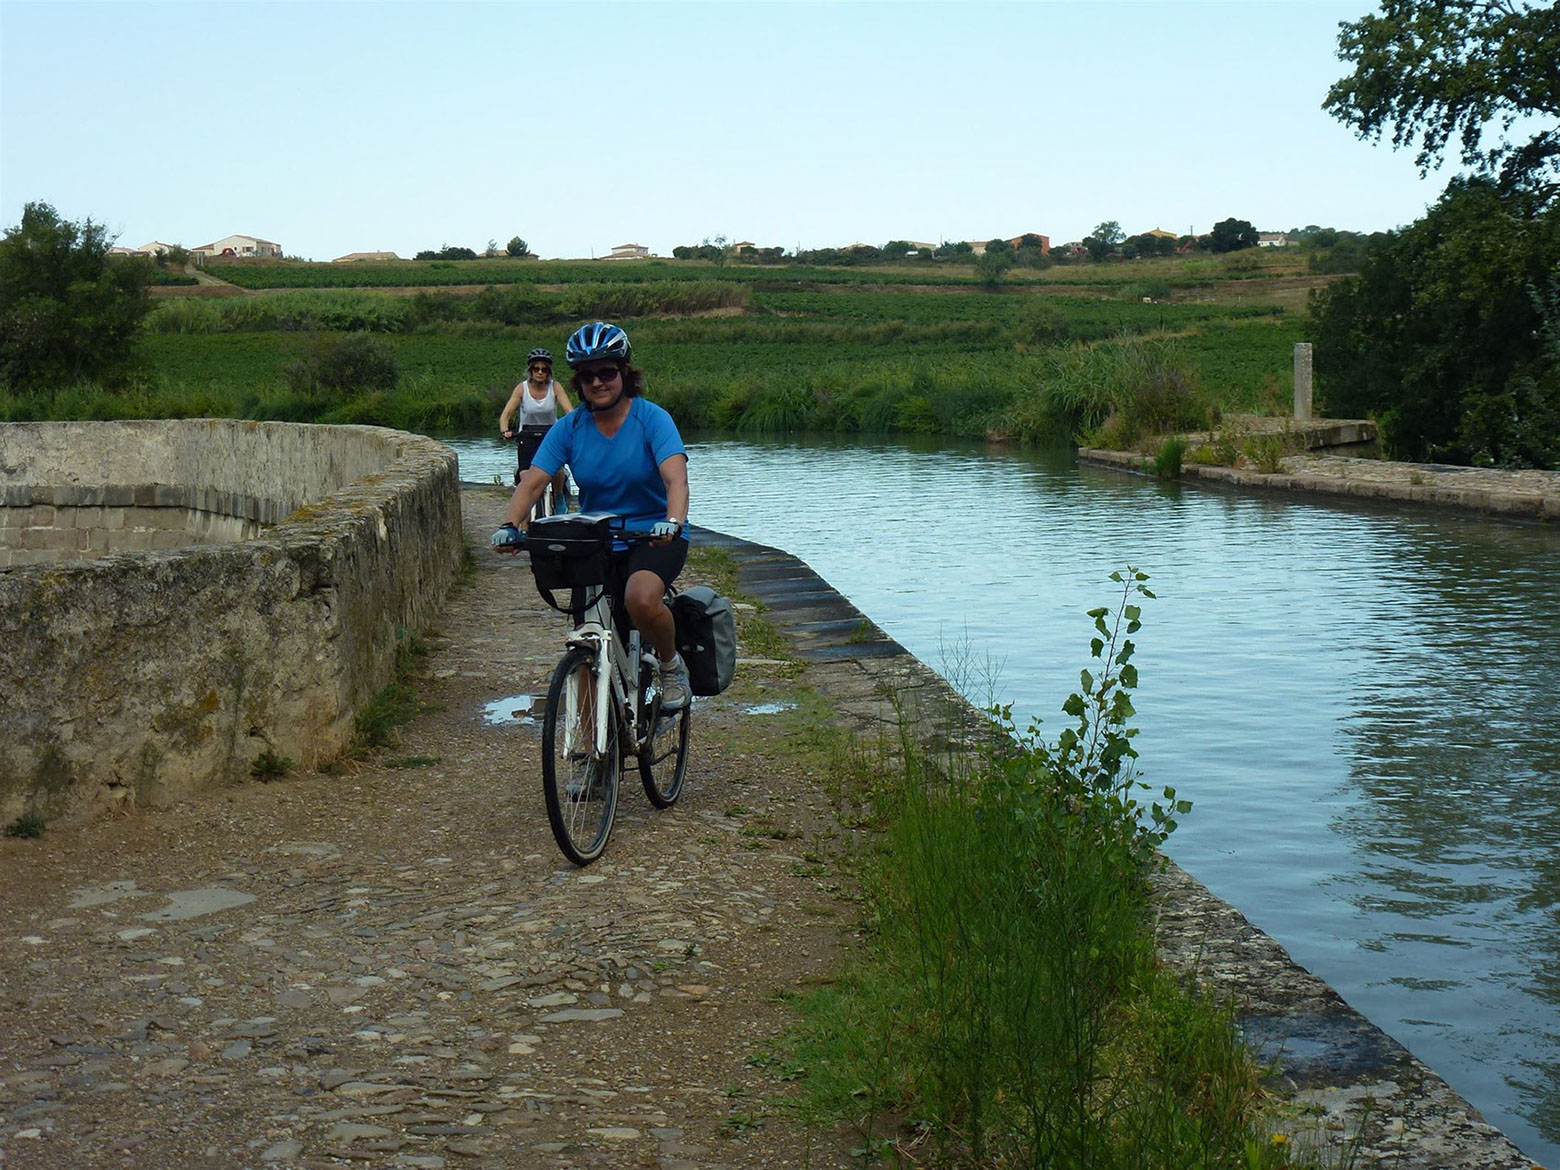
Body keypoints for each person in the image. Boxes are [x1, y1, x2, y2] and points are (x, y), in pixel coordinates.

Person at [492, 322, 692, 709]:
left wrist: (673, 521)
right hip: (597, 539)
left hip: (653, 533)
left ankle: (671, 667)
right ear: (578, 381)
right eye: (587, 376)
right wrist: (509, 524)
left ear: (624, 372)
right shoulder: (570, 428)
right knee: (588, 636)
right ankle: (589, 742)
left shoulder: (652, 419)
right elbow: (533, 482)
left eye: (607, 372)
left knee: (641, 599)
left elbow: (676, 480)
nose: (598, 382)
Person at [499, 347, 573, 504]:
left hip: (551, 435)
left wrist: (573, 427)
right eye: (536, 369)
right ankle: (526, 516)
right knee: (525, 476)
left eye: (544, 369)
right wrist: (505, 430)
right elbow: (506, 414)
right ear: (530, 370)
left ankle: (559, 498)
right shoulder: (522, 389)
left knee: (557, 470)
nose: (540, 372)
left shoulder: (555, 387)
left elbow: (569, 411)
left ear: (549, 372)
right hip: (526, 436)